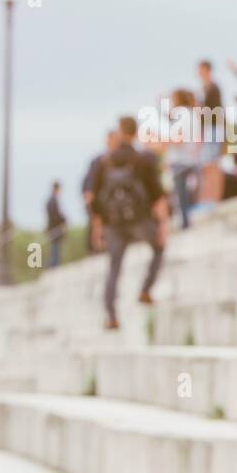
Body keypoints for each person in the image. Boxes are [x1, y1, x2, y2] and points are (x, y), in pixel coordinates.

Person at [86, 115, 168, 331]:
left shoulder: (103, 162)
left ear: (120, 132)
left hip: (113, 224)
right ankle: (145, 289)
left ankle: (111, 315)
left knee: (114, 268)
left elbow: (92, 199)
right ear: (135, 133)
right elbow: (158, 197)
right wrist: (163, 226)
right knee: (158, 249)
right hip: (140, 221)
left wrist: (97, 229)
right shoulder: (143, 160)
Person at [163, 87, 199, 228]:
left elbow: (178, 139)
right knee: (184, 194)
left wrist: (164, 141)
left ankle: (185, 223)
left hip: (180, 159)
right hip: (189, 159)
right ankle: (186, 221)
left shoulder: (181, 114)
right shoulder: (192, 114)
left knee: (180, 195)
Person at [196, 60, 226, 207]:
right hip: (209, 129)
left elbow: (212, 111)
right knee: (208, 165)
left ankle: (214, 199)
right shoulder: (206, 88)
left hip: (213, 128)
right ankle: (210, 199)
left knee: (212, 164)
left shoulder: (213, 88)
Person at [44, 181, 66, 268]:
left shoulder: (51, 200)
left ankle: (53, 266)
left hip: (52, 228)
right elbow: (55, 215)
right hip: (55, 228)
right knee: (55, 249)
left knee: (54, 248)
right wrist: (63, 220)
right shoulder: (52, 201)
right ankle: (53, 266)